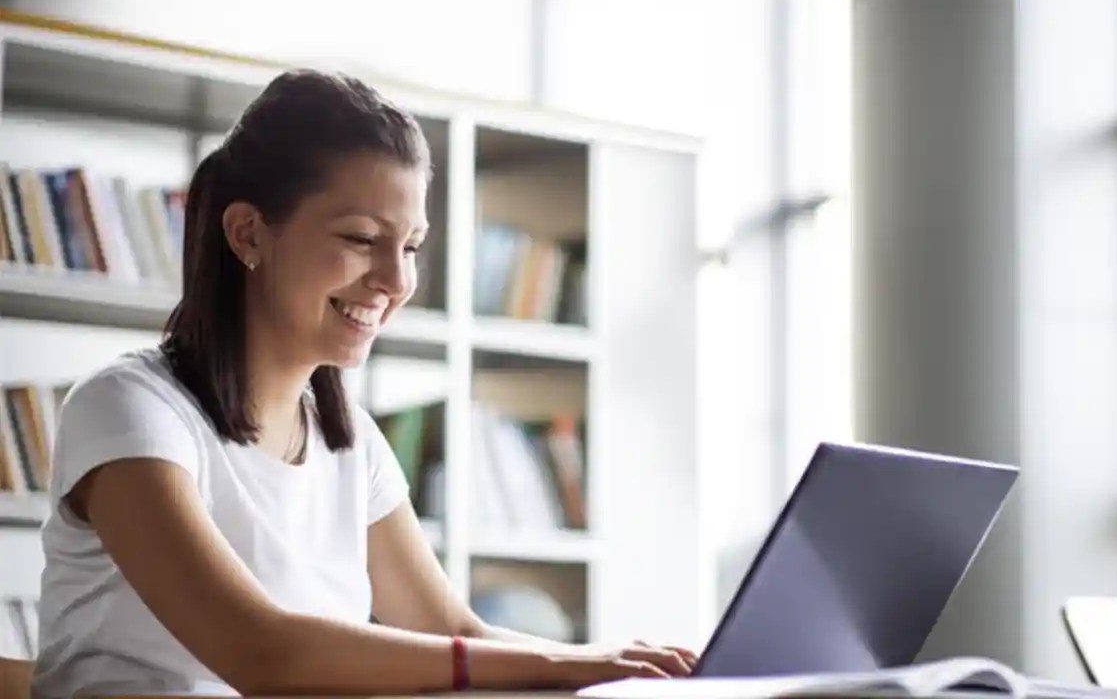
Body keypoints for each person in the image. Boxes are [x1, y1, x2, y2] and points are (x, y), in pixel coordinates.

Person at [33, 69, 696, 697]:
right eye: (361, 238)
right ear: (247, 234)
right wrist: (561, 662)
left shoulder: (351, 444)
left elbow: (451, 632)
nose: (397, 280)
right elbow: (262, 653)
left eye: (410, 246)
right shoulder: (129, 411)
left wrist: (612, 667)